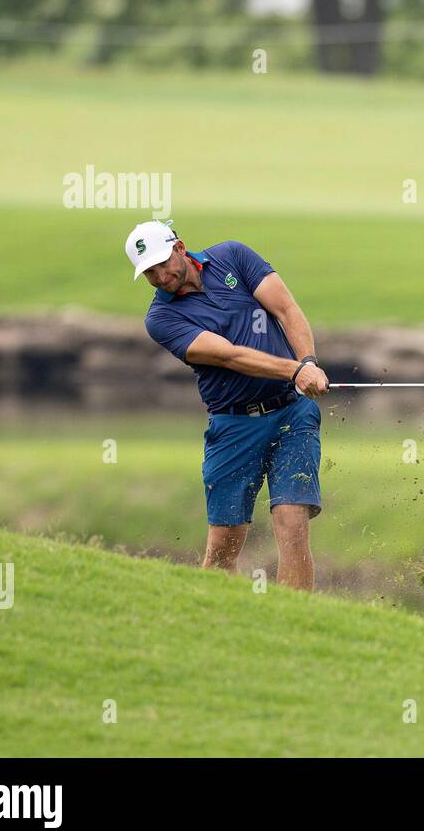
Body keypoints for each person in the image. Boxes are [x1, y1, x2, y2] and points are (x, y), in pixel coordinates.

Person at [124, 220, 329, 591]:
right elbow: (230, 356)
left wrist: (310, 362)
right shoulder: (161, 319)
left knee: (292, 520)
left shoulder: (233, 256)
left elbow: (286, 309)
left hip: (291, 412)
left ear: (180, 248)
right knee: (223, 549)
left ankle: (294, 625)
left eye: (161, 263)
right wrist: (295, 370)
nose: (159, 276)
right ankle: (213, 625)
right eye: (149, 272)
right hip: (234, 426)